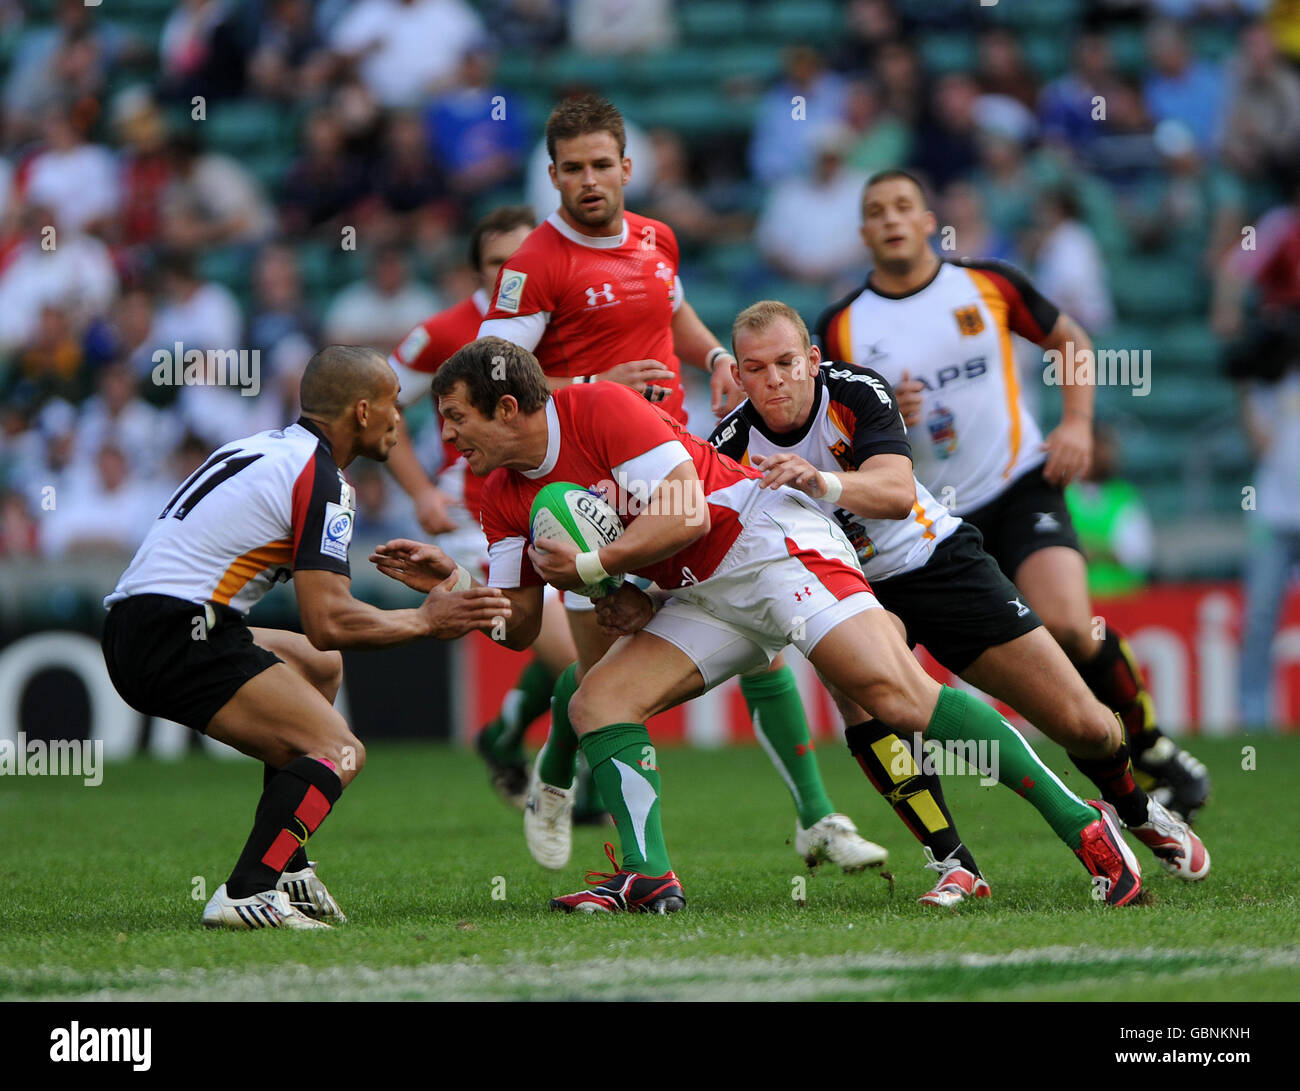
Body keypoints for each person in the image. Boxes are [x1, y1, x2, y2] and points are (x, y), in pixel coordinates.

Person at [376, 337, 1145, 911]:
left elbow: (681, 515)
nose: (448, 439)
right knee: (595, 702)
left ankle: (1086, 824)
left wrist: (587, 569)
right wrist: (454, 589)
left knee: (901, 696)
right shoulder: (498, 494)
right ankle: (649, 876)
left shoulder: (598, 409)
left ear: (507, 407)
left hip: (767, 543)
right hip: (703, 587)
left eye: (454, 418)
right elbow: (515, 627)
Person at [476, 96, 881, 872]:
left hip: (667, 467)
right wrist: (595, 379)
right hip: (583, 491)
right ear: (552, 176)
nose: (589, 181)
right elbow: (493, 373)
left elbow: (675, 313)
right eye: (572, 169)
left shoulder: (656, 238)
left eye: (602, 165)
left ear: (629, 168)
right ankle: (555, 776)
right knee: (601, 675)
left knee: (759, 643)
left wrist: (715, 359)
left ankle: (817, 815)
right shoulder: (535, 264)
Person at [712, 302, 1207, 903]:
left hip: (936, 563)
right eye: (756, 367)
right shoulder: (728, 448)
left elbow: (896, 493)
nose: (775, 379)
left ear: (813, 360)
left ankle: (1134, 808)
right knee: (858, 688)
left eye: (788, 362)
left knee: (1087, 727)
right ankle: (954, 861)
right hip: (852, 591)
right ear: (737, 375)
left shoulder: (856, 390)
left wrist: (822, 481)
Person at [816, 170, 1212, 823]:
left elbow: (1072, 342)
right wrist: (883, 413)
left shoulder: (987, 283)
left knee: (1067, 623)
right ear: (863, 232)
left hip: (1017, 484)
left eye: (903, 206)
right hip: (920, 523)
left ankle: (1153, 746)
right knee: (872, 679)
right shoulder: (842, 327)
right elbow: (824, 429)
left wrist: (1078, 423)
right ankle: (946, 848)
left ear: (926, 220)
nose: (890, 219)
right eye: (876, 211)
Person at [101, 345, 511, 929]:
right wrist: (426, 620)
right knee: (340, 750)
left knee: (319, 667)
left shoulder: (262, 448)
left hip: (144, 623)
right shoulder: (320, 478)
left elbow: (322, 640)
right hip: (176, 634)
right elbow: (330, 619)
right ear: (363, 411)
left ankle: (287, 863)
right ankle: (248, 890)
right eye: (395, 402)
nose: (403, 417)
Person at [387, 205, 577, 805]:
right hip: (480, 516)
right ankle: (574, 786)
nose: (512, 272)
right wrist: (419, 490)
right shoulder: (447, 332)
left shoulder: (559, 319)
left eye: (522, 260)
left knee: (591, 649)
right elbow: (378, 403)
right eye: (499, 262)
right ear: (478, 271)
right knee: (577, 656)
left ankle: (504, 733)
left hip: (558, 508)